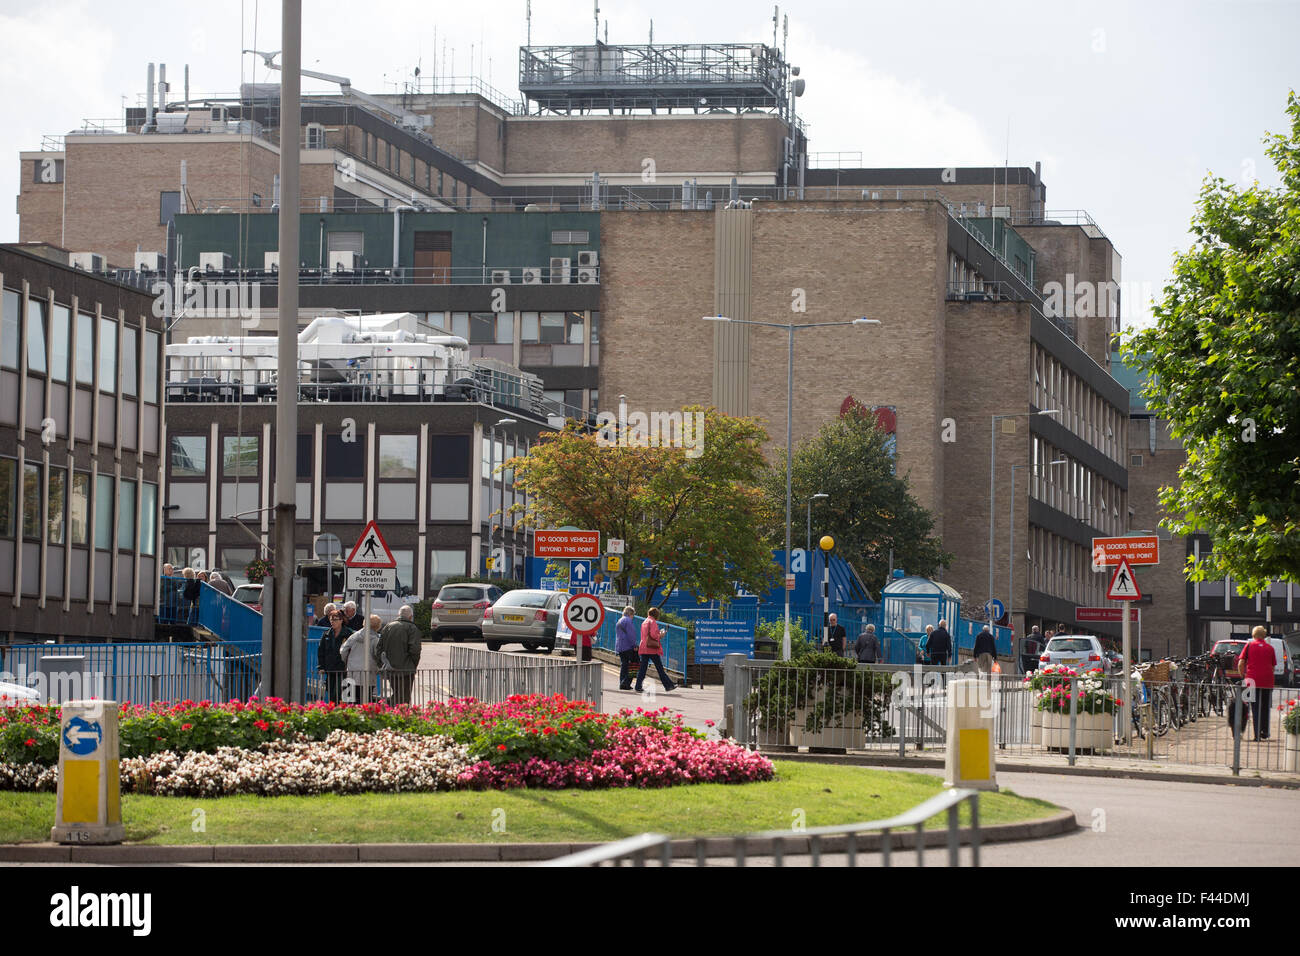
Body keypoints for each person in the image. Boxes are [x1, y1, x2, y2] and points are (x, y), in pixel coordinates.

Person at [1237, 625, 1277, 741]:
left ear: (1253, 635)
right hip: (1267, 681)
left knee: (1255, 707)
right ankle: (1265, 731)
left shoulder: (1249, 646)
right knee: (1265, 707)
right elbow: (1273, 666)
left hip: (1252, 681)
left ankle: (1257, 735)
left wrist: (1243, 676)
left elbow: (1241, 663)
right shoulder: (1270, 648)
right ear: (1264, 635)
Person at [378, 605, 423, 705]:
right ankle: (399, 712)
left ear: (399, 615)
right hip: (406, 669)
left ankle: (391, 709)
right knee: (404, 696)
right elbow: (415, 650)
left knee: (397, 693)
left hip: (390, 668)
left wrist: (382, 663)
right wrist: (413, 664)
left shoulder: (388, 627)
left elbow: (379, 648)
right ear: (410, 616)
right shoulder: (412, 628)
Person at [341, 613, 382, 704]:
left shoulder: (354, 636)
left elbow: (343, 651)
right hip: (368, 674)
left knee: (351, 701)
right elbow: (378, 656)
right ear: (378, 626)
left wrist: (346, 662)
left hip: (352, 672)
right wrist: (378, 668)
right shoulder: (376, 639)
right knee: (365, 702)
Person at [635, 607, 675, 693]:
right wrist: (661, 634)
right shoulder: (652, 622)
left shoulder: (645, 621)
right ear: (656, 615)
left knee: (642, 668)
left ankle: (638, 686)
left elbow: (647, 634)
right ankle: (668, 685)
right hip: (651, 648)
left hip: (644, 647)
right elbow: (654, 635)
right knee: (659, 668)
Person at [318, 610, 348, 703]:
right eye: (331, 619)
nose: (332, 622)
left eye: (335, 619)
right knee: (331, 693)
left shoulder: (348, 633)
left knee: (338, 693)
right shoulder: (326, 634)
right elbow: (321, 652)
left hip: (342, 670)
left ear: (341, 620)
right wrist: (321, 667)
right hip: (330, 669)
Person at [615, 606, 639, 690]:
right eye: (633, 614)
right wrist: (635, 645)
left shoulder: (620, 620)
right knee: (634, 664)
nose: (633, 616)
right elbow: (631, 635)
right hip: (628, 646)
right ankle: (626, 683)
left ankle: (622, 683)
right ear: (630, 613)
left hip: (620, 646)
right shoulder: (628, 621)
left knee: (624, 665)